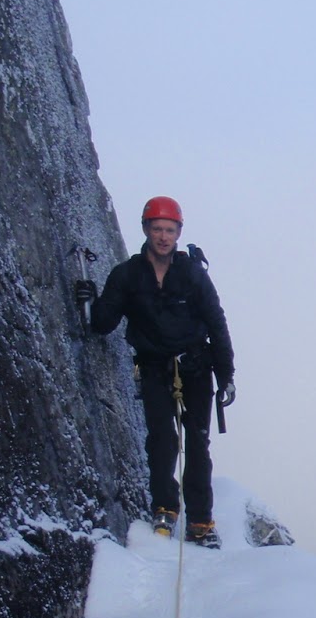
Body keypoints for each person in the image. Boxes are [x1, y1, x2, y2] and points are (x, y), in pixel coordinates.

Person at [76, 196, 236, 547]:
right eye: (158, 229)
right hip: (154, 367)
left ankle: (200, 520)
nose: (164, 236)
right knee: (161, 441)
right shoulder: (128, 275)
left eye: (170, 229)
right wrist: (89, 300)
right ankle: (165, 506)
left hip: (195, 365)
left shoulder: (191, 274)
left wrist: (226, 373)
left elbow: (216, 321)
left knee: (197, 444)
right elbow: (103, 324)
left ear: (179, 233)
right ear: (147, 230)